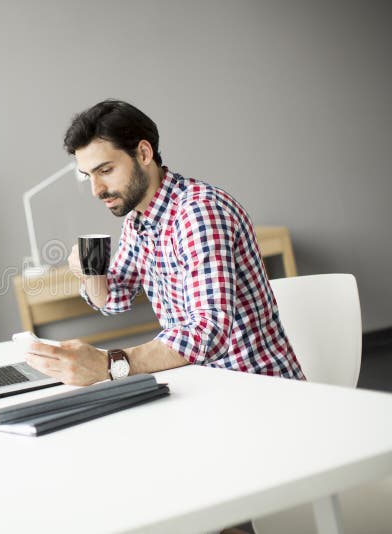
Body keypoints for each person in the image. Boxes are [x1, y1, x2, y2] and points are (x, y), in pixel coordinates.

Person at [24, 100, 305, 386]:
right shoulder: (138, 221)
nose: (96, 190)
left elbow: (208, 332)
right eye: (88, 176)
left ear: (144, 153)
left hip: (260, 388)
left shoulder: (198, 213)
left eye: (105, 170)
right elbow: (114, 299)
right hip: (206, 386)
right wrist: (90, 272)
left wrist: (109, 364)